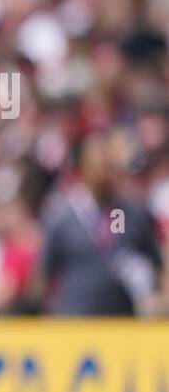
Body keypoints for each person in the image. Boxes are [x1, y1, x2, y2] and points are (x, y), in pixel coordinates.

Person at [38, 133, 163, 315]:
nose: (101, 168)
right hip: (75, 323)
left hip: (123, 324)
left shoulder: (134, 214)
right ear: (82, 167)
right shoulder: (63, 217)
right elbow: (44, 274)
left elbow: (157, 265)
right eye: (94, 160)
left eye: (106, 160)